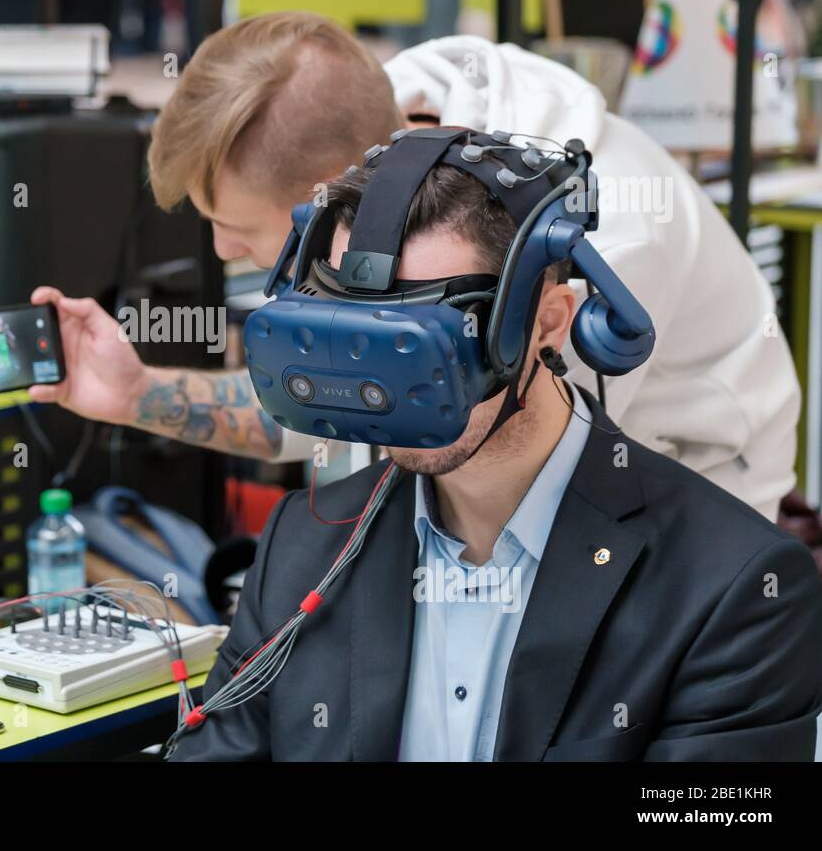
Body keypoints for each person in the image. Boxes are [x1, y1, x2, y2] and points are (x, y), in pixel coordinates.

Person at [168, 157, 822, 761]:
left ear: (549, 322)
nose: (391, 387)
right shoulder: (304, 543)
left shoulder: (735, 589)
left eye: (423, 341)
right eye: (358, 335)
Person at [29, 11, 800, 522]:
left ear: (326, 208)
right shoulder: (380, 131)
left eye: (235, 231)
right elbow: (342, 408)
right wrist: (135, 393)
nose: (225, 253)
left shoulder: (586, 247)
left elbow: (426, 440)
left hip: (689, 506)